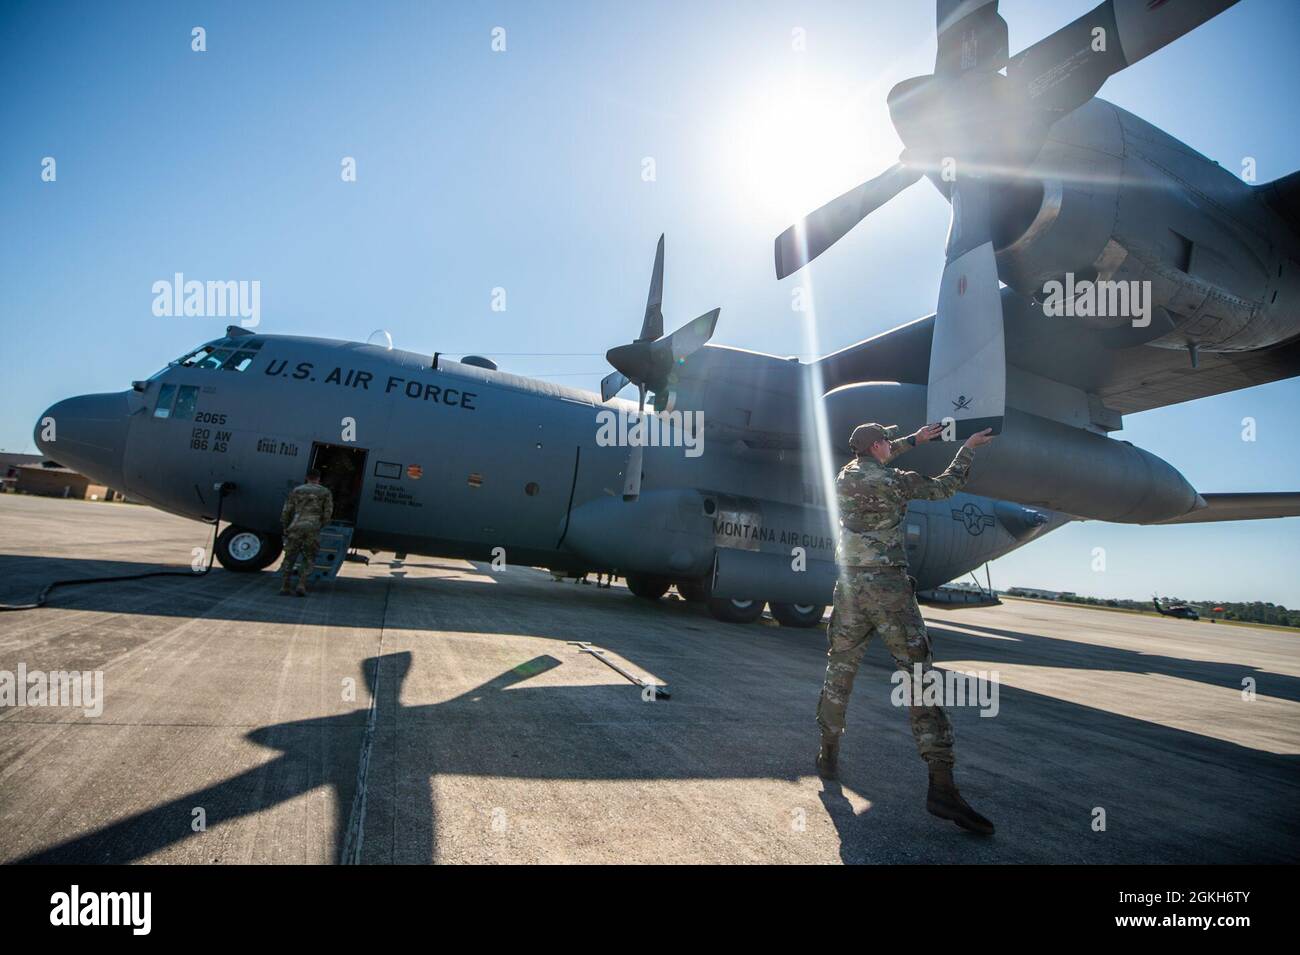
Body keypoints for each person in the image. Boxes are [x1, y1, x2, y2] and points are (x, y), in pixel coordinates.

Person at [816, 421, 996, 835]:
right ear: (878, 444)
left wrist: (915, 440)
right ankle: (942, 786)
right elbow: (946, 486)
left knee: (839, 671)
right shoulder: (897, 482)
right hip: (889, 590)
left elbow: (875, 455)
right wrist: (967, 447)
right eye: (887, 440)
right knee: (920, 679)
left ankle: (827, 753)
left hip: (849, 588)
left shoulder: (844, 478)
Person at [279, 469, 334, 596]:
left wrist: (286, 526)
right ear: (318, 478)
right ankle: (301, 584)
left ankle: (285, 585)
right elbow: (328, 513)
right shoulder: (325, 492)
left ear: (307, 478)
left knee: (290, 556)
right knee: (309, 557)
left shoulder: (297, 490)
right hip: (312, 527)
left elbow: (287, 510)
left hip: (296, 526)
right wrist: (320, 525)